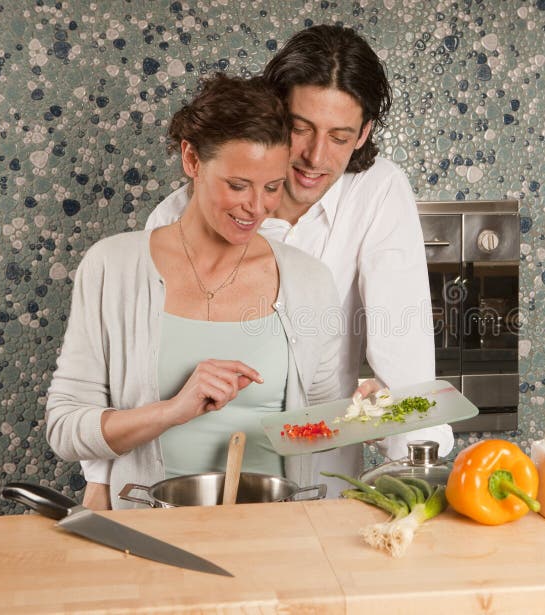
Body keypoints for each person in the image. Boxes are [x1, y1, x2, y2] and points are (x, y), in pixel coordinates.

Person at [145, 25, 455, 490]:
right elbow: (133, 372)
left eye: (339, 136)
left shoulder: (377, 191)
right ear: (274, 112)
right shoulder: (177, 217)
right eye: (301, 128)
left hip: (319, 478)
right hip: (194, 477)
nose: (314, 156)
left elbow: (402, 341)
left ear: (364, 133)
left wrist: (411, 456)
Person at [47, 74, 345, 509]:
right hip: (150, 528)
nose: (257, 207)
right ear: (192, 159)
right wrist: (174, 410)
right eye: (238, 185)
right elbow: (65, 428)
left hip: (276, 534)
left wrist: (362, 414)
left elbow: (320, 430)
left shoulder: (310, 280)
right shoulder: (112, 266)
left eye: (273, 187)